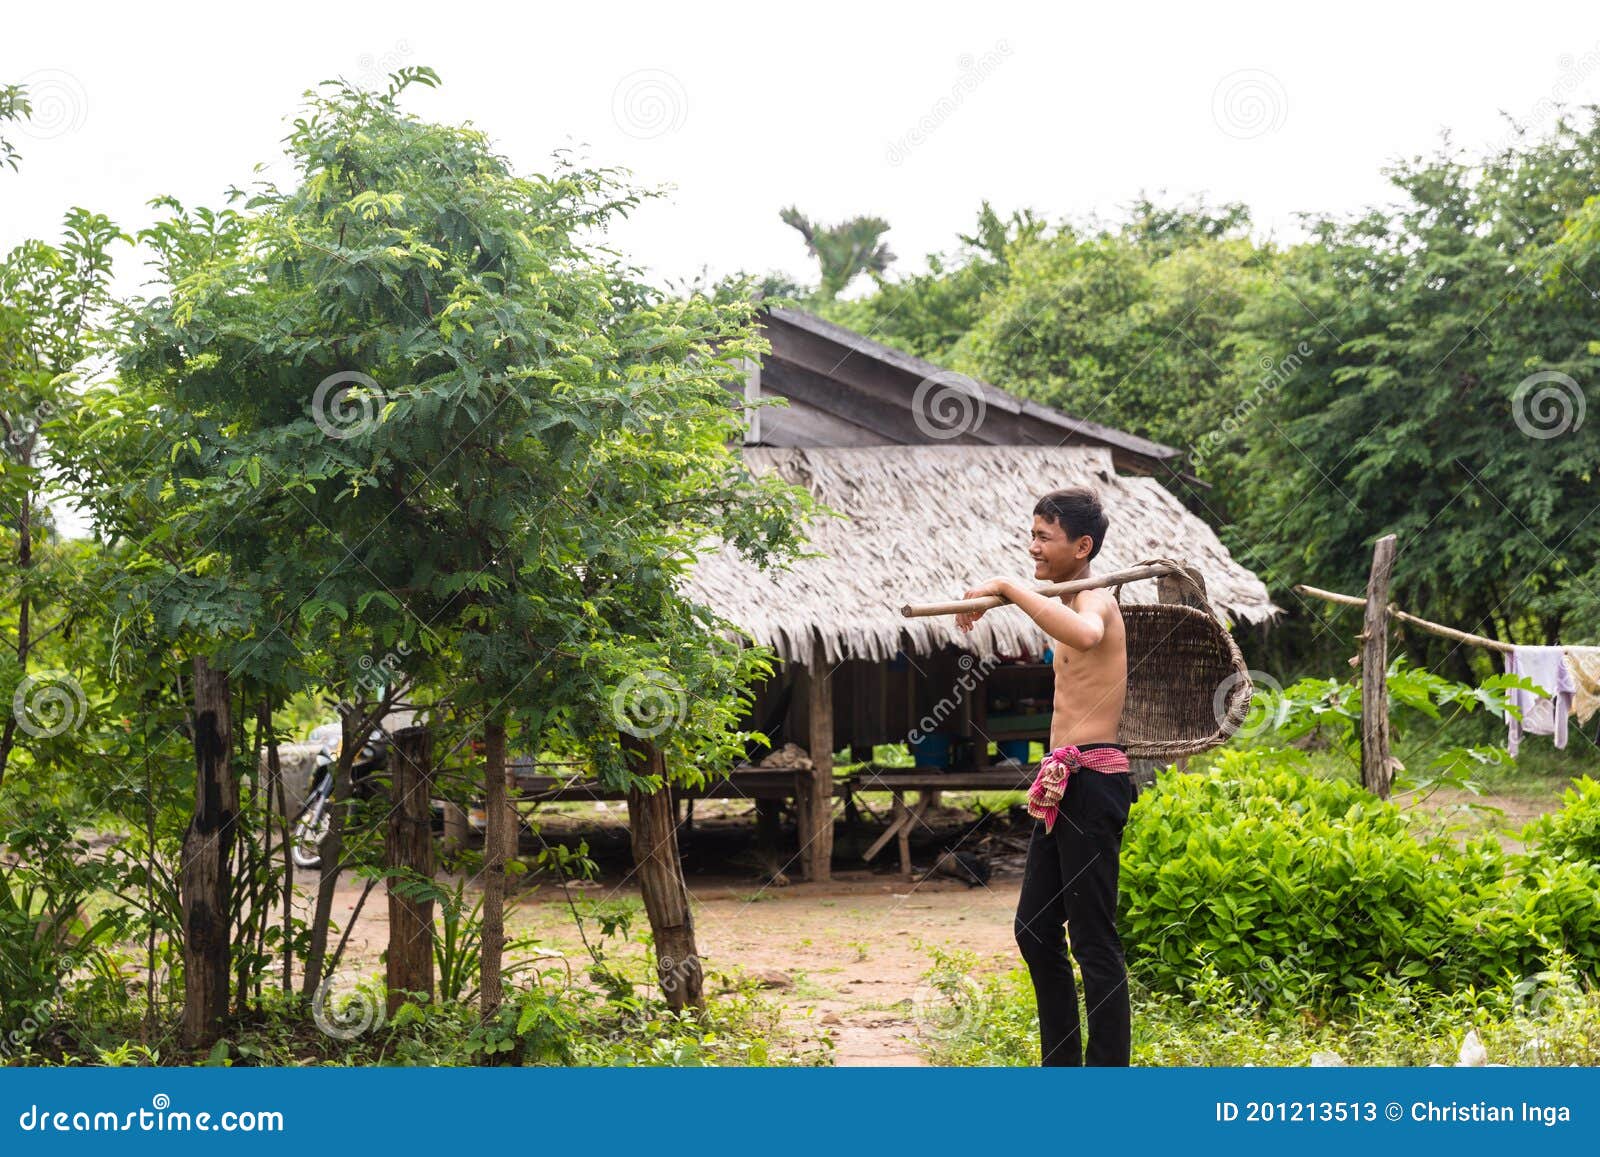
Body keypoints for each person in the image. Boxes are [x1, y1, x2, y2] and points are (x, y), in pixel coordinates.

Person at [955, 486, 1133, 1066]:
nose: (1033, 546)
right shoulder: (1065, 596)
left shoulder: (1097, 600)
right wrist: (986, 592)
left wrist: (1006, 586)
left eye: (1044, 537)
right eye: (1030, 535)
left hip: (1094, 781)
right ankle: (1062, 1069)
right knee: (1034, 930)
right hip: (1062, 782)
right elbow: (1054, 615)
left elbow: (1085, 635)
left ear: (1082, 547)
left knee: (1092, 938)